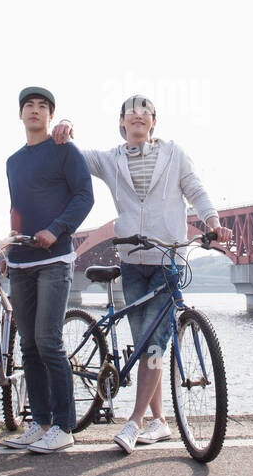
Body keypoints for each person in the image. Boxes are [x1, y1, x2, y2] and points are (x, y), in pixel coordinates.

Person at [52, 95, 232, 454]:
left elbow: (195, 188)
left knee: (153, 344)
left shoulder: (174, 154)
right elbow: (76, 155)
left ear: (153, 122)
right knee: (146, 343)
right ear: (121, 123)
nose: (137, 116)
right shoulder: (110, 159)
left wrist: (212, 221)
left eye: (144, 112)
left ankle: (134, 421)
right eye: (130, 113)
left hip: (169, 258)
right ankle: (160, 422)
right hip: (132, 259)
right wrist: (67, 124)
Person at [0, 86, 94, 454]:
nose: (35, 110)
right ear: (21, 114)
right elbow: (17, 208)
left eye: (43, 106)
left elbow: (84, 196)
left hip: (55, 260)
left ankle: (64, 426)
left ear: (51, 116)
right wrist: (6, 245)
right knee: (27, 345)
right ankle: (38, 422)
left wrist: (55, 229)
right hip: (21, 260)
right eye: (29, 105)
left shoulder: (64, 150)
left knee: (48, 341)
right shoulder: (13, 161)